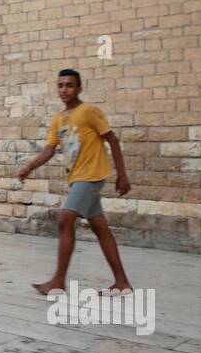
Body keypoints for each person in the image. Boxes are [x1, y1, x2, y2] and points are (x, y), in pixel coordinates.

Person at [16, 69, 133, 296]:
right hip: (78, 178)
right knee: (101, 229)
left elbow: (112, 139)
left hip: (91, 176)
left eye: (69, 85)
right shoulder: (58, 120)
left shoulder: (88, 111)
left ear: (79, 88)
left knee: (65, 219)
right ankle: (122, 283)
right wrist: (29, 167)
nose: (64, 90)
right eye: (60, 85)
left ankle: (58, 282)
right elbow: (50, 150)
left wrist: (122, 174)